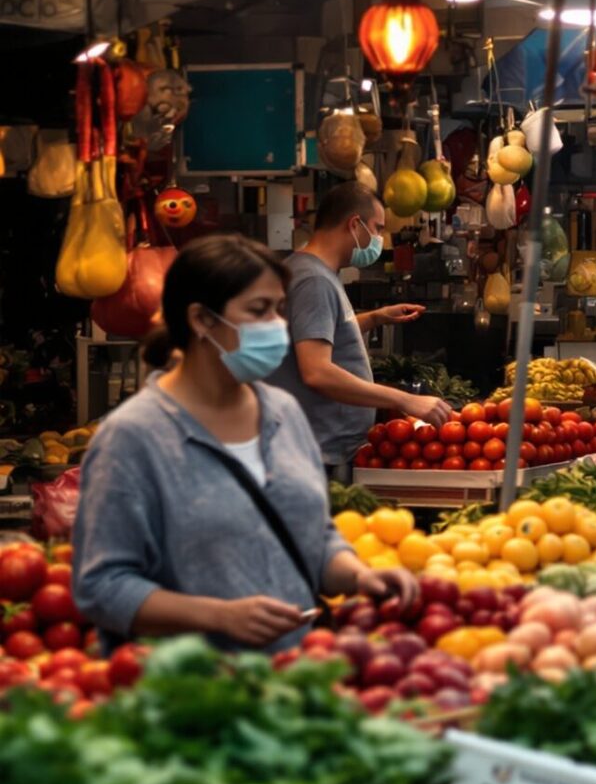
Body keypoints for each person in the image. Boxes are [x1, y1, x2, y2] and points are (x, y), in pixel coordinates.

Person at [75, 235, 419, 651]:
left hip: (294, 679)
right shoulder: (133, 437)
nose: (278, 326)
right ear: (202, 319)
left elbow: (314, 535)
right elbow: (102, 586)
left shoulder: (285, 414)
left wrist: (358, 575)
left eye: (279, 310)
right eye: (259, 311)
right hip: (194, 689)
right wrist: (218, 616)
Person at [267, 182, 450, 469]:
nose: (379, 238)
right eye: (377, 229)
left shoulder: (312, 271)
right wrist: (404, 400)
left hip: (318, 448)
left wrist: (376, 317)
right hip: (316, 454)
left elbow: (317, 333)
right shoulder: (313, 281)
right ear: (355, 224)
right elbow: (317, 372)